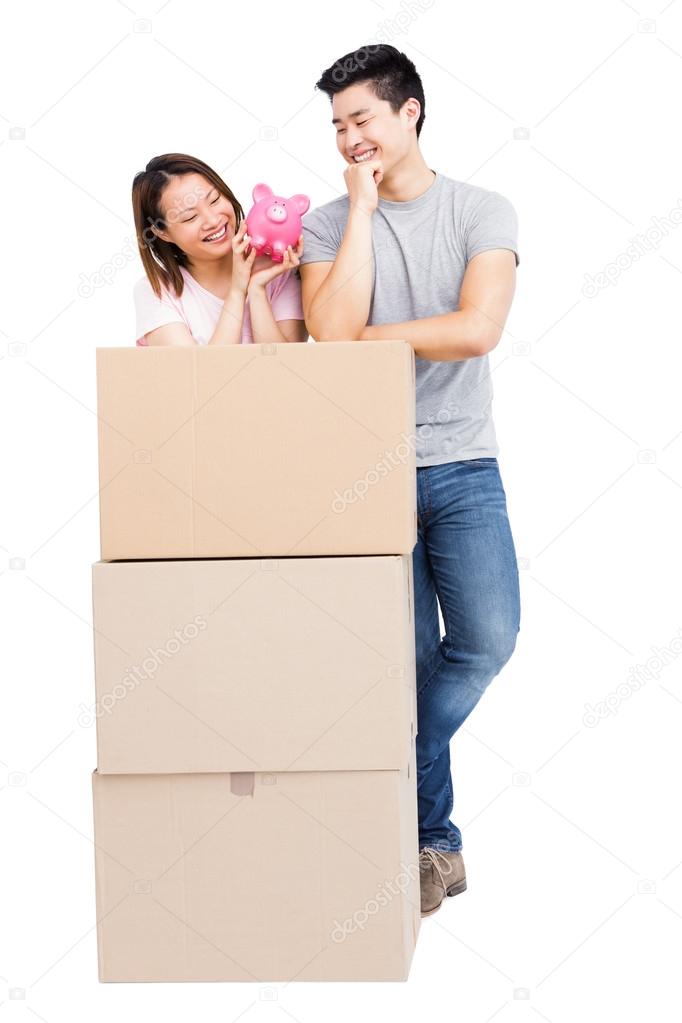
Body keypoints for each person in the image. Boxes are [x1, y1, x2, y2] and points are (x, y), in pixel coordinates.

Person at [299, 45, 521, 918]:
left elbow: (477, 329)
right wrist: (359, 208)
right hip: (366, 469)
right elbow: (329, 331)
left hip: (463, 461)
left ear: (410, 112)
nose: (351, 137)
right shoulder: (326, 223)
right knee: (405, 658)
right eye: (338, 126)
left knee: (488, 640)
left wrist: (366, 339)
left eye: (363, 119)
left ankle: (393, 772)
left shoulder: (480, 209)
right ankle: (436, 846)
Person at [131, 153, 307, 346]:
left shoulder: (280, 271)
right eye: (190, 217)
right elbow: (197, 375)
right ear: (162, 233)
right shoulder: (156, 291)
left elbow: (285, 368)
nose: (213, 220)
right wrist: (237, 292)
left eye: (214, 200)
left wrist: (257, 290)